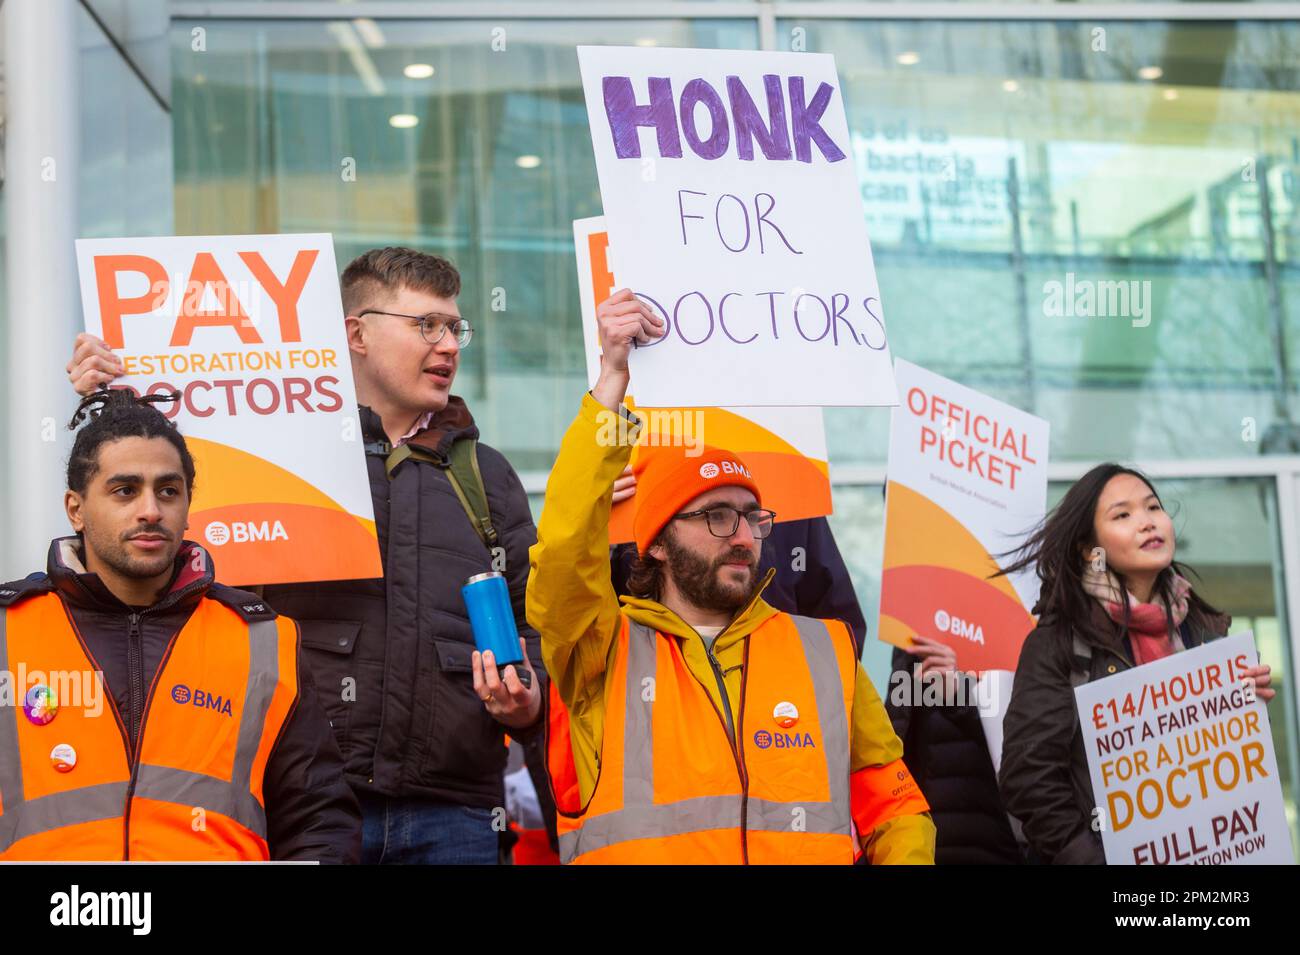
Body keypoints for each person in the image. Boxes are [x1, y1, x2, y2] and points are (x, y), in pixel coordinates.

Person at [67, 246, 545, 865]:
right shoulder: (277, 448)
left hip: (455, 812)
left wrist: (528, 704)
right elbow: (153, 550)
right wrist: (114, 405)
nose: (449, 344)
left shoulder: (486, 475)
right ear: (357, 333)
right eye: (426, 324)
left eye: (456, 327)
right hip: (305, 803)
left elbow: (530, 623)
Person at [527, 287, 935, 864]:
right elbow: (566, 550)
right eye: (716, 516)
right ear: (659, 544)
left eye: (752, 517)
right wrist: (612, 382)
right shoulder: (600, 650)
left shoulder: (825, 649)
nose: (743, 535)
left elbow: (895, 808)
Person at [0, 389, 359, 861]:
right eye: (125, 490)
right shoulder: (8, 631)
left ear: (188, 506)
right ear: (76, 509)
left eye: (168, 491)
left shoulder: (263, 640)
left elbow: (320, 821)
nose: (151, 510)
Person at [997, 464, 1274, 864]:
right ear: (1090, 551)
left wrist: (1247, 709)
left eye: (1153, 508)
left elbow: (1224, 770)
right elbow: (1028, 778)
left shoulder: (1207, 633)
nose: (1146, 523)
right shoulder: (1057, 643)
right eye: (1122, 515)